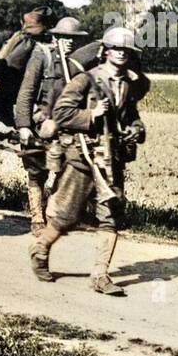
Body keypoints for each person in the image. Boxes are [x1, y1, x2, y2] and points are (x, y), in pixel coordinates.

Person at [30, 27, 147, 295]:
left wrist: (136, 129)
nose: (120, 53)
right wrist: (91, 114)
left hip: (110, 160)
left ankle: (100, 275)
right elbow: (60, 113)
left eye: (125, 50)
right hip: (83, 157)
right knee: (66, 217)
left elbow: (131, 116)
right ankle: (40, 249)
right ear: (105, 51)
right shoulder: (86, 80)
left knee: (110, 217)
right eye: (116, 49)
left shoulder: (127, 85)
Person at [13, 16, 93, 234]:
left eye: (73, 39)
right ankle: (37, 216)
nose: (68, 42)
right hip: (41, 123)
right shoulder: (42, 56)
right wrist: (24, 125)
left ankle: (55, 213)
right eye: (64, 37)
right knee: (36, 171)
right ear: (55, 37)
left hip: (68, 125)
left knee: (68, 167)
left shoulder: (79, 63)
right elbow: (27, 92)